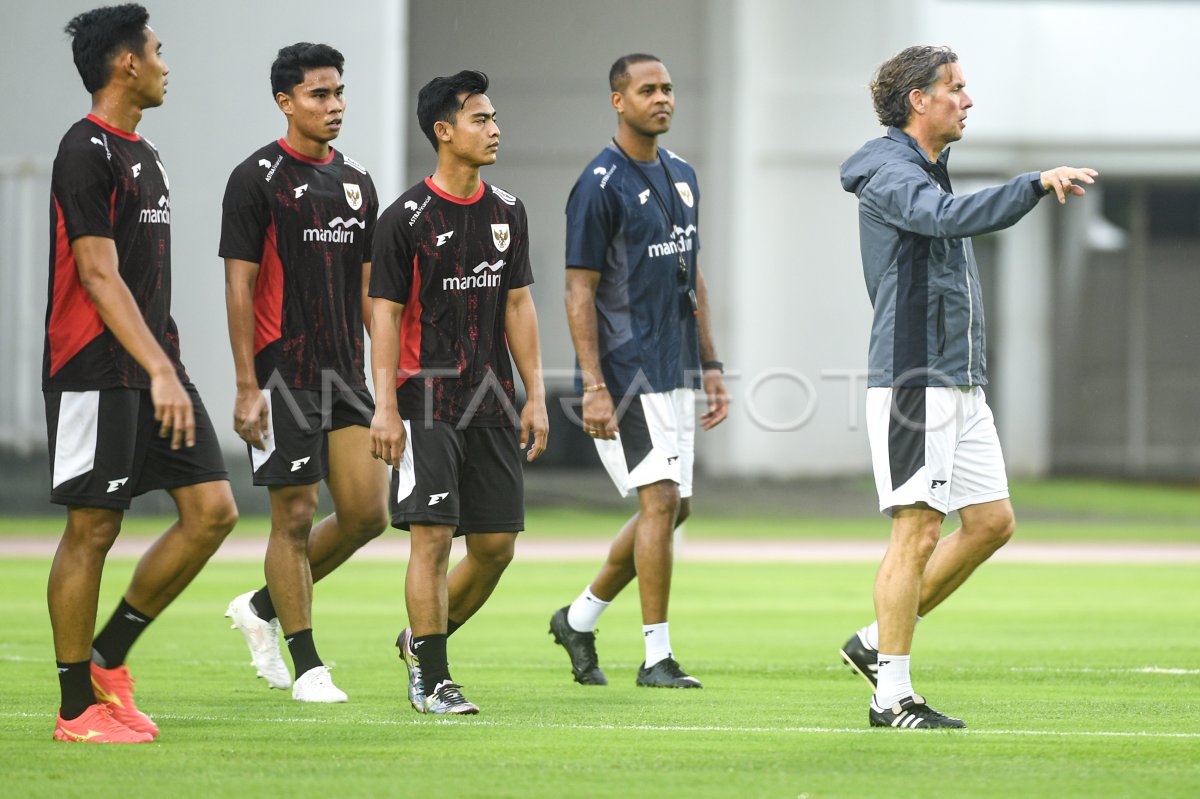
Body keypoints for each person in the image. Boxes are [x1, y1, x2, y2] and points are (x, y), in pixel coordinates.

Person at [838, 45, 1098, 729]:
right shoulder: (890, 173)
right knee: (917, 530)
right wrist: (1033, 183)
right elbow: (946, 218)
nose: (968, 99)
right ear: (918, 100)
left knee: (990, 522)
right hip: (914, 381)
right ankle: (891, 695)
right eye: (955, 87)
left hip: (960, 381)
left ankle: (872, 641)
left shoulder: (928, 169)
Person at [45, 3, 238, 744]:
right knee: (93, 527)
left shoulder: (145, 155)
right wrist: (158, 367)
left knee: (213, 509)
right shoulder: (82, 149)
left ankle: (109, 655)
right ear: (126, 62)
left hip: (154, 362)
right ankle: (74, 710)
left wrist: (166, 362)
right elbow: (97, 272)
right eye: (157, 51)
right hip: (95, 366)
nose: (165, 63)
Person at [369, 70, 548, 715]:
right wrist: (385, 406)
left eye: (494, 117)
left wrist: (534, 395)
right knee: (433, 539)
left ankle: (420, 639)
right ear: (444, 132)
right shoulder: (405, 219)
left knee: (495, 547)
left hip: (493, 399)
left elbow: (519, 304)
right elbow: (384, 315)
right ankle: (433, 677)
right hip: (426, 400)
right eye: (480, 119)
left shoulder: (508, 211)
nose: (495, 129)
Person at [548, 54, 729, 690]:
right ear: (618, 101)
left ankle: (579, 616)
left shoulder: (681, 175)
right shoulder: (599, 184)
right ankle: (656, 657)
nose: (662, 98)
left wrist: (709, 362)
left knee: (675, 508)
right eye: (647, 89)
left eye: (668, 88)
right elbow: (578, 291)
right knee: (659, 503)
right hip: (625, 375)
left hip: (675, 365)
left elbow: (693, 272)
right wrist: (593, 386)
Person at [219, 43, 389, 703]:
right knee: (293, 514)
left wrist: (389, 384)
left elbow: (375, 294)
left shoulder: (358, 181)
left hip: (346, 368)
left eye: (339, 91)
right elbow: (239, 287)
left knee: (368, 513)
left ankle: (260, 604)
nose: (335, 104)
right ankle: (308, 663)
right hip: (280, 367)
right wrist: (243, 383)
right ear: (285, 102)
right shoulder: (255, 178)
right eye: (320, 94)